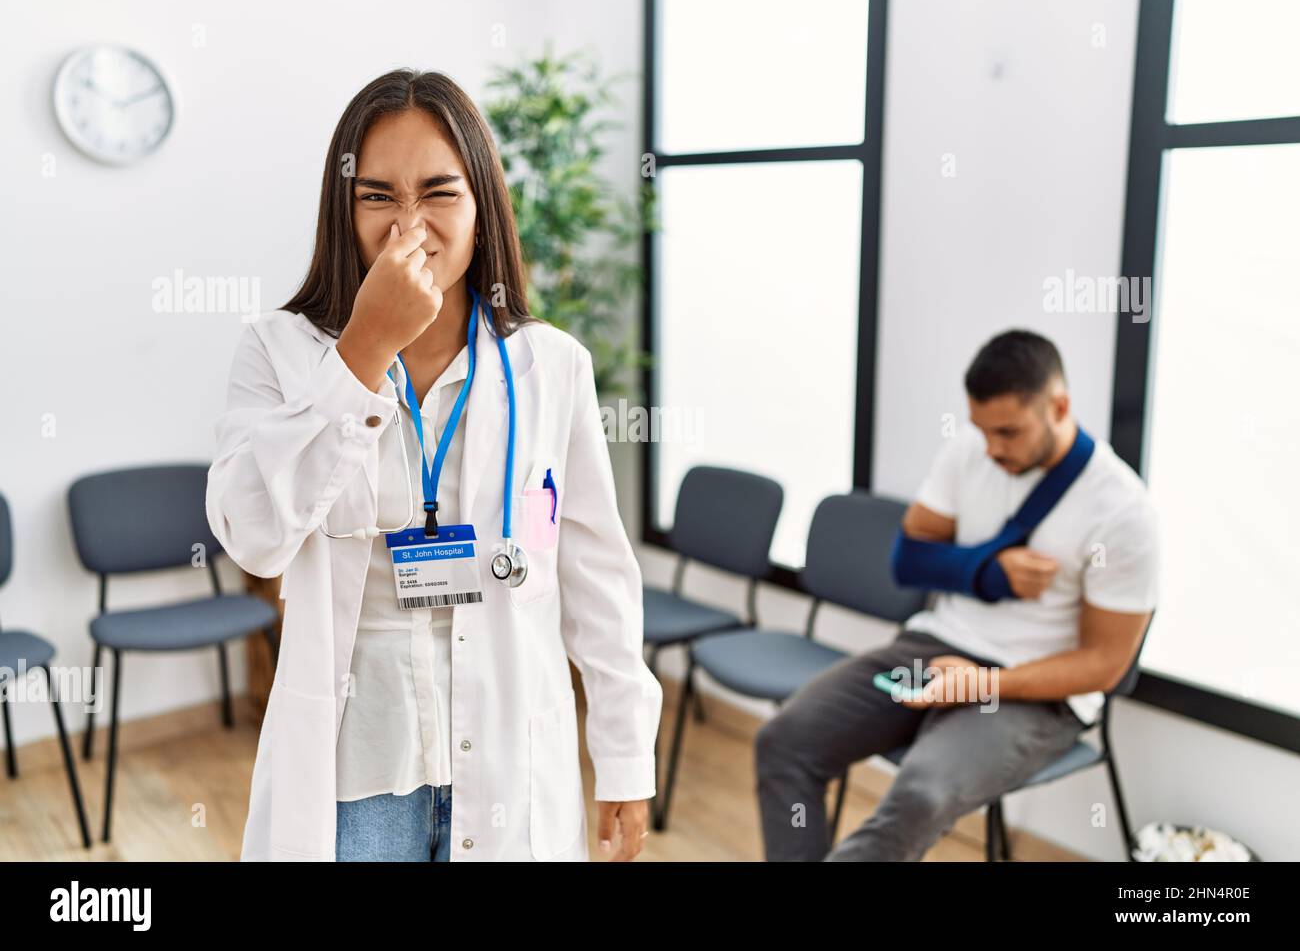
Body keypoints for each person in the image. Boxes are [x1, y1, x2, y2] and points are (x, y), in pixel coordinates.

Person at [205, 69, 661, 862]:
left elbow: (598, 577)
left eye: (439, 194)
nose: (406, 224)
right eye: (376, 195)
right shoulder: (279, 353)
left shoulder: (552, 366)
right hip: (359, 766)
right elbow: (251, 537)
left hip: (510, 752)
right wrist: (362, 352)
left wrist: (624, 756)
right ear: (343, 211)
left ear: (483, 208)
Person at [756, 329, 1157, 861]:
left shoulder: (1123, 511)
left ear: (1058, 407)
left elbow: (1104, 665)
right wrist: (986, 571)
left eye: (1008, 432)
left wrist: (984, 683)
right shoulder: (971, 450)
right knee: (785, 741)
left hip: (1035, 690)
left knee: (921, 793)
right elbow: (910, 560)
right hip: (934, 649)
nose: (992, 448)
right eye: (982, 429)